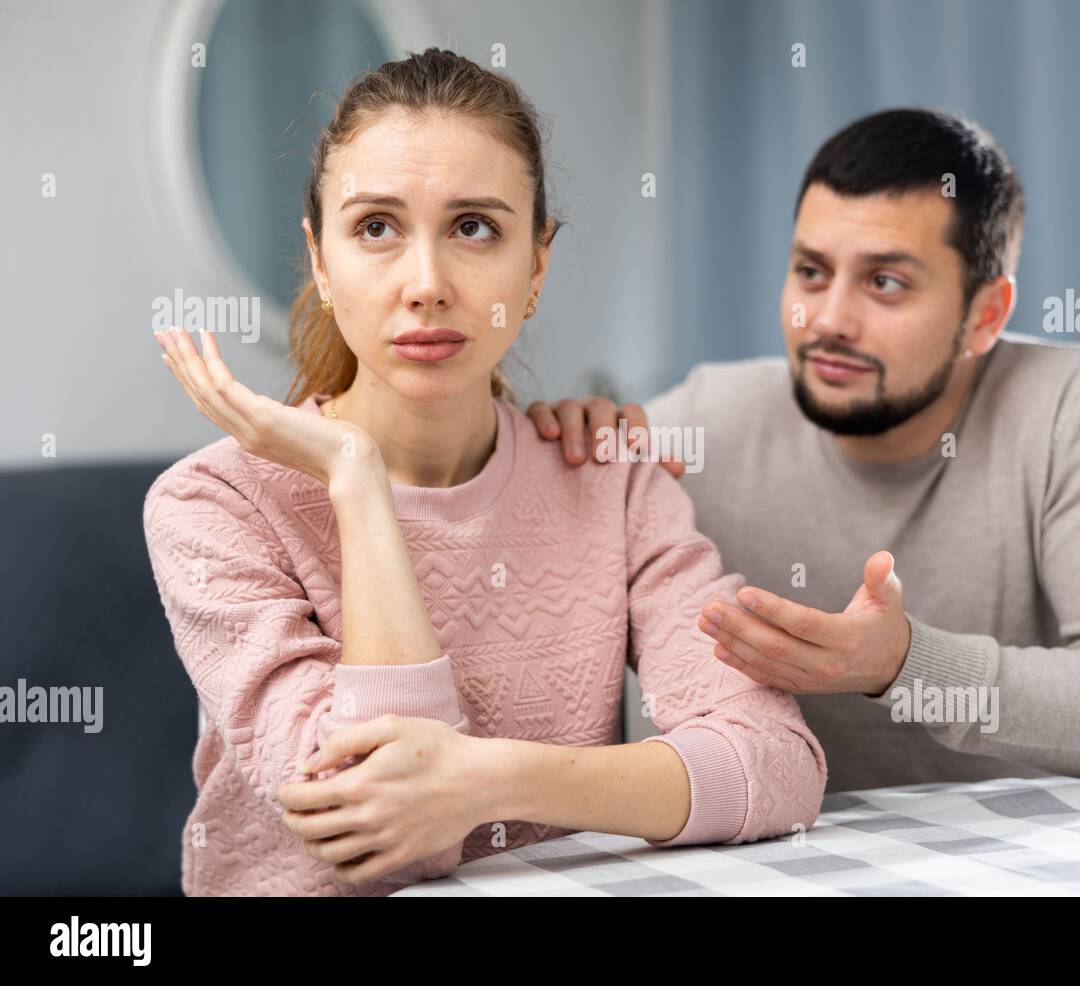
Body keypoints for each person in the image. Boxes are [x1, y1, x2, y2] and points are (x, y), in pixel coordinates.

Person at [142, 47, 826, 897]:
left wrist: (488, 779)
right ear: (321, 261)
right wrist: (355, 481)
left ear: (535, 267)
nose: (426, 285)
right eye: (376, 227)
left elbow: (778, 768)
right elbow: (381, 839)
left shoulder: (607, 480)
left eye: (474, 227)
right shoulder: (210, 505)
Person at [528, 108, 1080, 791]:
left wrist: (907, 666)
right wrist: (558, 449)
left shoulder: (1071, 406)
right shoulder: (700, 426)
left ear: (986, 316)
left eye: (885, 282)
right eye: (812, 272)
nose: (828, 321)